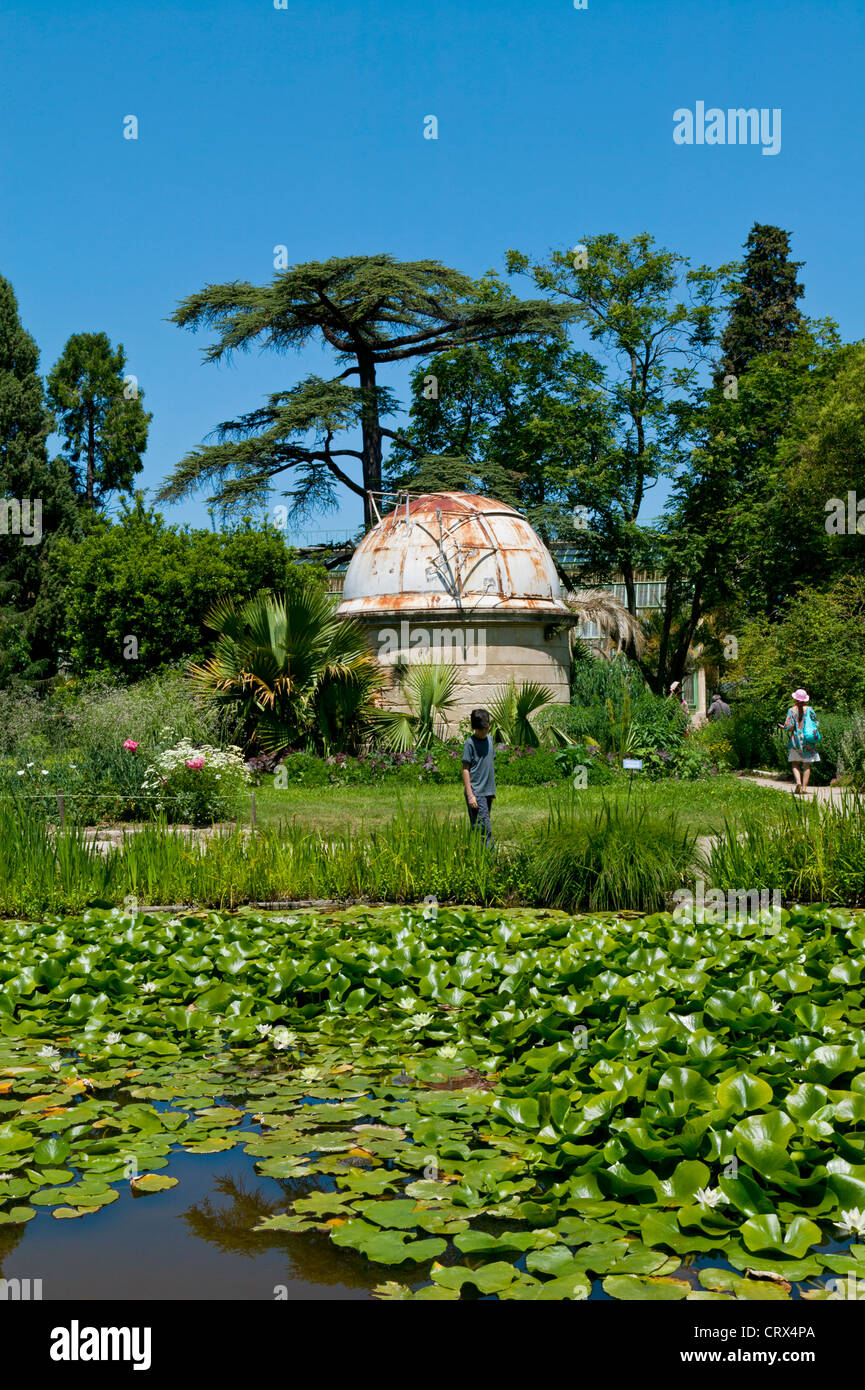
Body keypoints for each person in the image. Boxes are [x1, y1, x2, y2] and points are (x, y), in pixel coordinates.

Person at [462, 708, 495, 846]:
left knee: (479, 826)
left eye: (487, 728)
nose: (485, 732)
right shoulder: (470, 743)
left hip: (488, 791)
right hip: (476, 792)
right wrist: (470, 795)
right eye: (482, 730)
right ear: (475, 728)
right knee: (485, 829)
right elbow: (465, 770)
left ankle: (476, 854)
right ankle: (490, 860)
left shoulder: (490, 740)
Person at [782, 687, 821, 795]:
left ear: (795, 699)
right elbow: (816, 723)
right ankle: (804, 788)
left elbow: (789, 726)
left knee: (795, 763)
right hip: (808, 740)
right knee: (807, 765)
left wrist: (783, 727)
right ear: (805, 699)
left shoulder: (791, 710)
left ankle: (798, 782)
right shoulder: (810, 709)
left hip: (796, 741)